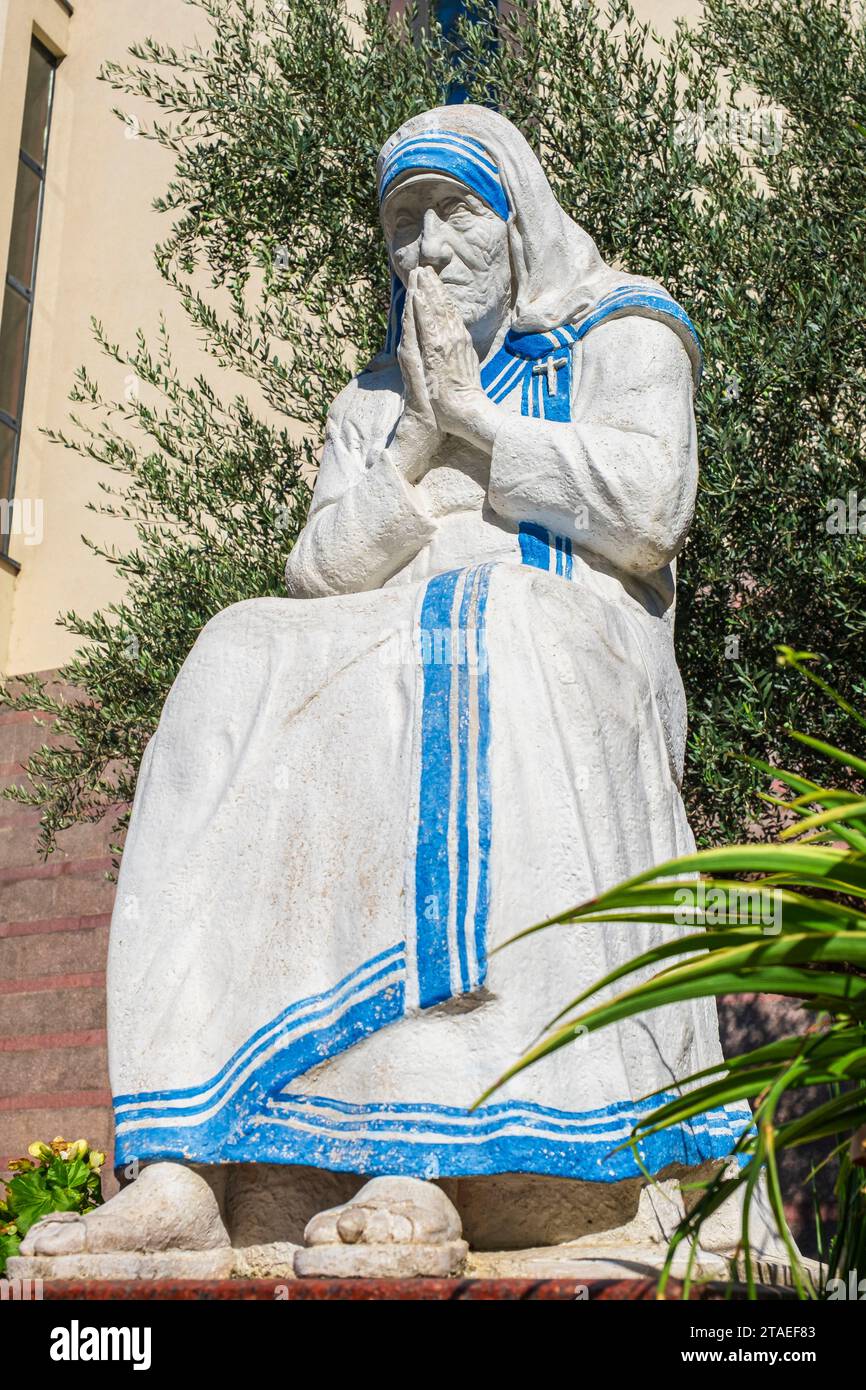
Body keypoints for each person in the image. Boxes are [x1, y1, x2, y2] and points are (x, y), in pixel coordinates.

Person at [20, 106, 754, 1270]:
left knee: (480, 631)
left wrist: (482, 427)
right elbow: (316, 566)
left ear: (516, 218)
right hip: (380, 640)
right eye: (399, 223)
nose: (424, 247)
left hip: (563, 635)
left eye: (450, 213)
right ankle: (184, 1159)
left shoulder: (623, 331)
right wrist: (414, 438)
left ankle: (436, 1140)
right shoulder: (373, 397)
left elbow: (649, 512)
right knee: (233, 648)